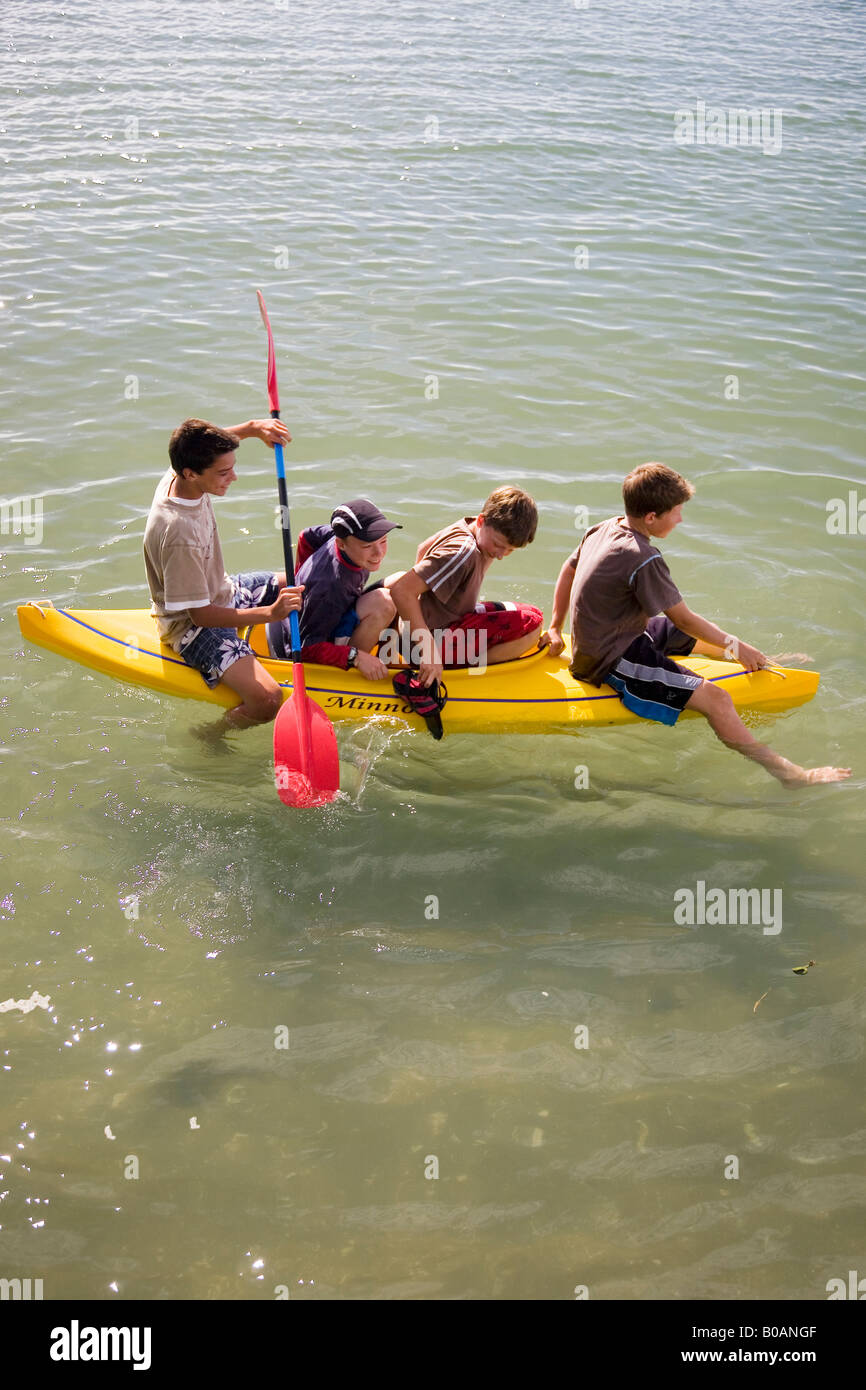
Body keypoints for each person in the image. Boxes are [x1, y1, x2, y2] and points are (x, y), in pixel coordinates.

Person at [543, 462, 851, 786]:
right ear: (651, 517)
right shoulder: (644, 557)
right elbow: (686, 619)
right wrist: (738, 643)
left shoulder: (604, 528)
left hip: (613, 633)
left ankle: (760, 663)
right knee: (717, 700)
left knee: (693, 638)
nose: (680, 519)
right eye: (676, 512)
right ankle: (790, 774)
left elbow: (568, 569)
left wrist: (555, 626)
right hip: (610, 659)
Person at [143, 417, 303, 732]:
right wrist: (270, 613)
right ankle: (210, 734)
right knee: (269, 699)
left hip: (222, 590)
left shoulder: (183, 467)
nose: (234, 477)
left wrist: (254, 429)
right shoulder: (180, 534)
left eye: (232, 467)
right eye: (223, 473)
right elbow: (201, 616)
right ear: (190, 473)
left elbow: (212, 441)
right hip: (191, 627)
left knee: (301, 579)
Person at [387, 486, 544, 688]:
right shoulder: (462, 553)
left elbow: (423, 548)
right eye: (498, 544)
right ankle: (464, 672)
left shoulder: (468, 526)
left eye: (509, 550)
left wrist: (434, 596)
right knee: (533, 625)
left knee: (529, 612)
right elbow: (402, 590)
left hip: (430, 629)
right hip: (429, 644)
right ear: (481, 521)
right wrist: (428, 650)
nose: (500, 555)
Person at [267, 498, 400, 680]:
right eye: (367, 546)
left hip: (331, 610)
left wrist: (300, 583)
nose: (379, 553)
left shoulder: (340, 535)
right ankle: (351, 672)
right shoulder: (329, 589)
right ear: (341, 544)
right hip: (298, 645)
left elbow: (306, 536)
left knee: (400, 582)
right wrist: (356, 657)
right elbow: (306, 648)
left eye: (383, 541)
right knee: (383, 606)